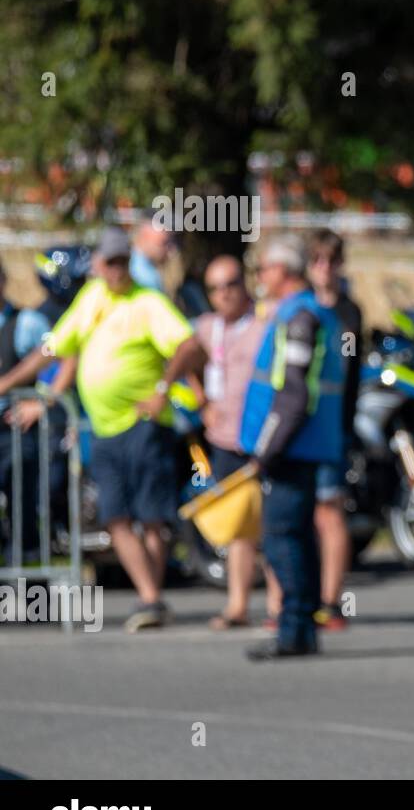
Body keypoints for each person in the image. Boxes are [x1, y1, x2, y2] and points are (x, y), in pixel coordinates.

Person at [0, 227, 205, 631]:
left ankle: (150, 597)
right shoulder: (91, 299)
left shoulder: (147, 302)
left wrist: (164, 389)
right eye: (109, 263)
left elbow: (188, 345)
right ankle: (151, 594)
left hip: (144, 425)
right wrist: (9, 383)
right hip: (103, 428)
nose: (116, 270)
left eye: (122, 261)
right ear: (97, 266)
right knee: (115, 517)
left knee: (150, 518)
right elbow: (55, 348)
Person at [240, 236, 345, 660]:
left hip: (291, 448)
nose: (260, 277)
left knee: (283, 538)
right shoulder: (309, 311)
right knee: (298, 538)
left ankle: (294, 630)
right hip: (306, 445)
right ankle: (300, 630)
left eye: (263, 269)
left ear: (283, 271)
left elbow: (294, 393)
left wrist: (265, 450)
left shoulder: (299, 315)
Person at [192, 255, 275, 630]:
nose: (224, 294)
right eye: (215, 288)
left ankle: (279, 605)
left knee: (274, 525)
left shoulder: (264, 323)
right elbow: (178, 357)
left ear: (245, 285)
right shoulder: (207, 328)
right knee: (239, 529)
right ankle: (237, 606)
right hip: (225, 440)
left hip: (265, 439)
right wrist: (200, 399)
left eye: (231, 284)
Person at [306, 229, 364, 631]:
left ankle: (331, 601)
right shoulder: (299, 307)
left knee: (329, 511)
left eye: (331, 261)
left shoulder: (348, 314)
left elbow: (348, 371)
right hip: (296, 427)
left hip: (331, 428)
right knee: (296, 515)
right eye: (317, 260)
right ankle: (293, 601)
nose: (324, 269)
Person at [0, 263, 55, 557]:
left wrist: (41, 400)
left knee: (23, 516)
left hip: (15, 432)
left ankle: (36, 598)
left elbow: (58, 356)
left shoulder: (28, 322)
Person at [130, 220, 174, 294]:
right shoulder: (142, 274)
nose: (169, 250)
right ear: (144, 238)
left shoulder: (147, 267)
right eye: (163, 243)